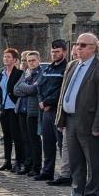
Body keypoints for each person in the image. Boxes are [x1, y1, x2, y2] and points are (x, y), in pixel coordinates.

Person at [56, 33, 99, 196]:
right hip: (71, 120)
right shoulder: (72, 65)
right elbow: (64, 93)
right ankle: (77, 195)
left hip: (89, 122)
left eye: (83, 45)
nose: (78, 47)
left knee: (93, 162)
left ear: (94, 47)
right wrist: (60, 118)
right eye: (77, 44)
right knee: (75, 162)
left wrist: (98, 126)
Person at [37, 40, 68, 182]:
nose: (54, 54)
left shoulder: (66, 69)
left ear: (64, 52)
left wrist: (48, 102)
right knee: (47, 143)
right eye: (53, 52)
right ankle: (47, 171)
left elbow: (62, 90)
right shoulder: (48, 69)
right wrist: (42, 102)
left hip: (58, 111)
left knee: (62, 144)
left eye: (58, 51)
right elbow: (40, 87)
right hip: (46, 111)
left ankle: (66, 173)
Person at [14, 51, 43, 177]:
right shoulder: (26, 73)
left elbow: (34, 90)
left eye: (33, 60)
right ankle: (27, 164)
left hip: (33, 111)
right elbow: (15, 90)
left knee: (34, 140)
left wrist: (24, 87)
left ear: (38, 60)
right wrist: (27, 88)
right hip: (22, 110)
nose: (31, 63)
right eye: (29, 60)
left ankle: (36, 167)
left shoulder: (41, 74)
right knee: (25, 140)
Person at [0, 48, 23, 171]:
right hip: (4, 108)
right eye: (4, 56)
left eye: (8, 57)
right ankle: (7, 161)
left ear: (15, 60)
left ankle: (18, 161)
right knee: (6, 135)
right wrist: (0, 100)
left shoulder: (19, 73)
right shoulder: (1, 73)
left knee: (16, 135)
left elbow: (18, 90)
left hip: (14, 107)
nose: (5, 59)